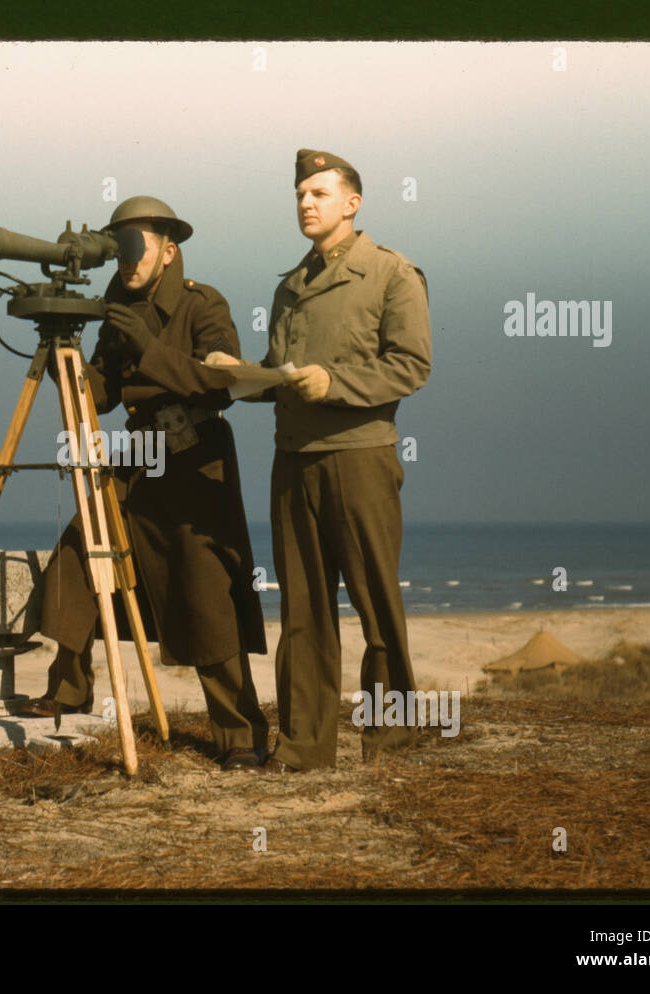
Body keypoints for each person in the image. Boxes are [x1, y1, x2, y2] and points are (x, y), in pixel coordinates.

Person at [22, 196, 270, 772]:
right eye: (120, 246)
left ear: (168, 249)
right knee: (79, 556)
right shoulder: (116, 305)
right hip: (141, 456)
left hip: (195, 459)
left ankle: (240, 737)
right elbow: (103, 395)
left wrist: (149, 350)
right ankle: (68, 690)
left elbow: (219, 385)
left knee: (206, 594)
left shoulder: (202, 304)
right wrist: (69, 360)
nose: (127, 259)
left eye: (138, 245)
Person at [249, 149, 432, 772]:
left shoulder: (390, 274)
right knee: (301, 611)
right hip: (292, 460)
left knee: (377, 604)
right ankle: (303, 748)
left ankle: (391, 742)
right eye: (301, 193)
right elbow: (283, 372)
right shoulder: (288, 287)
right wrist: (238, 377)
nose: (306, 202)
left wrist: (337, 385)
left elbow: (412, 365)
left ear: (352, 204)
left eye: (320, 193)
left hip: (360, 460)